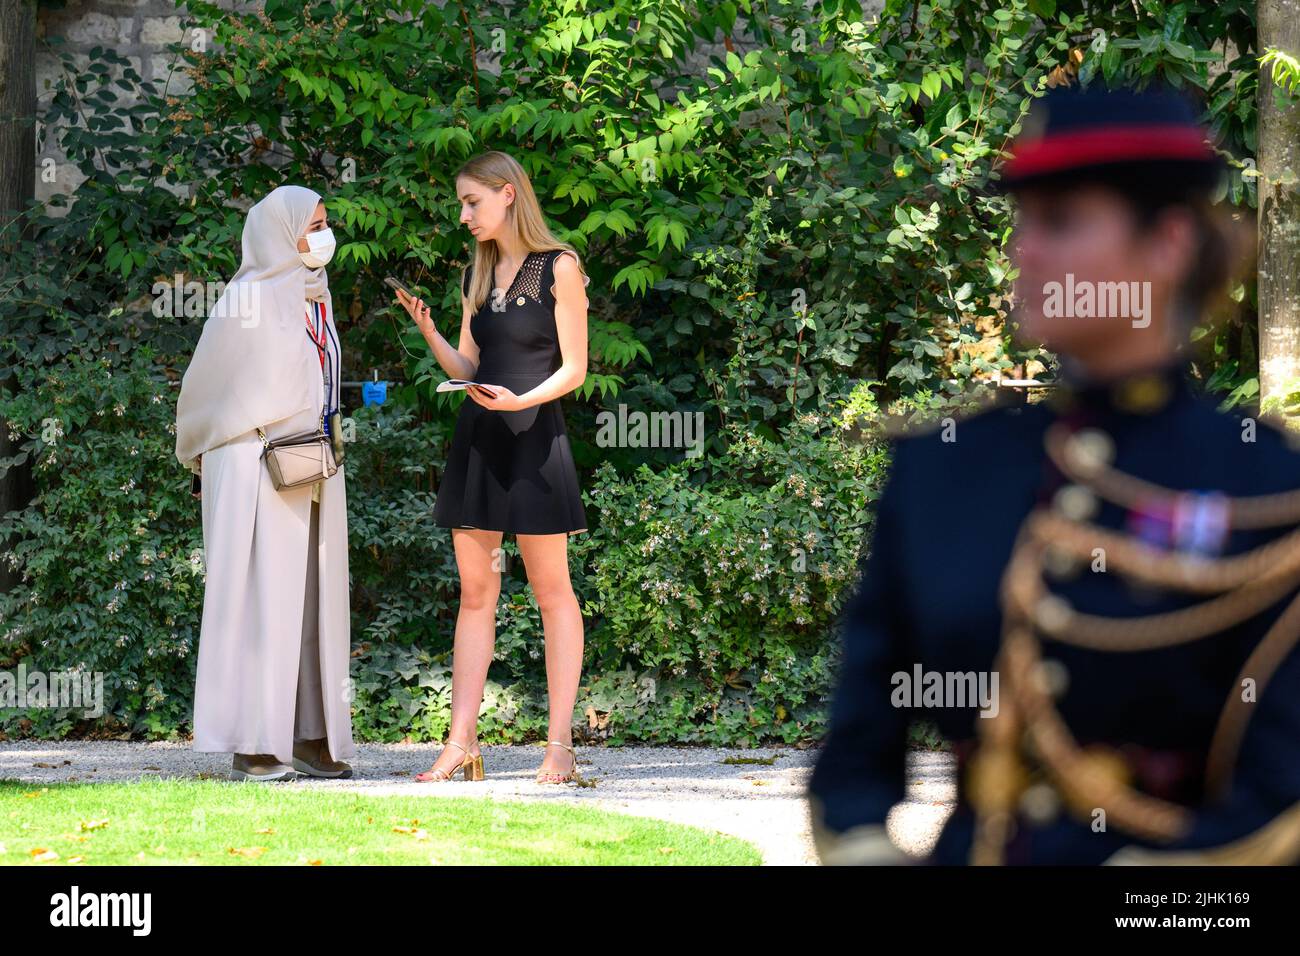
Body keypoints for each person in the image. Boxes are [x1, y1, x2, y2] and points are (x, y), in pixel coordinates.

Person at [807, 82, 1300, 864]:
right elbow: (856, 760)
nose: (1024, 251)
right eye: (1024, 223)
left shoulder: (1267, 485)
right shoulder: (943, 470)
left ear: (1168, 243)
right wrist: (869, 847)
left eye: (1062, 222)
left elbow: (1281, 793)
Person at [394, 151, 591, 784]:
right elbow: (468, 368)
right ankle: (461, 743)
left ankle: (559, 745)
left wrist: (522, 400)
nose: (464, 215)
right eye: (460, 203)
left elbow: (576, 369)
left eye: (471, 202)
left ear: (507, 195)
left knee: (551, 592)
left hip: (535, 436)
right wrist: (430, 333)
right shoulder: (476, 275)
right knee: (476, 595)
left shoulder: (560, 266)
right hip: (481, 436)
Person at [176, 184, 356, 782]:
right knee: (260, 596)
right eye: (312, 226)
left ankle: (308, 734)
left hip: (311, 461)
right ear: (279, 233)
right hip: (254, 466)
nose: (322, 237)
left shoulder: (317, 299)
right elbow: (207, 393)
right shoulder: (245, 301)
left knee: (312, 596)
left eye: (324, 224)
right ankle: (254, 741)